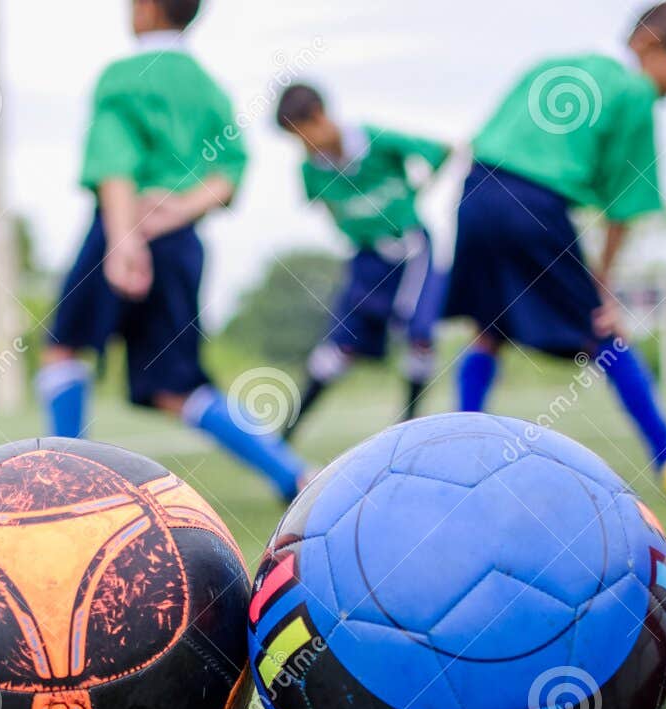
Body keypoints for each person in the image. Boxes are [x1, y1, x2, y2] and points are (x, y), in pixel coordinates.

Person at [444, 1, 666, 503]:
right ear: (650, 44)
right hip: (534, 206)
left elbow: (483, 141)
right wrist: (603, 286)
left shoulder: (551, 66)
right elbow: (626, 203)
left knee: (489, 330)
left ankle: (458, 464)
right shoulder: (635, 91)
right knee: (606, 332)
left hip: (475, 194)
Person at [32, 0, 310, 503]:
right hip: (181, 244)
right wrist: (180, 208)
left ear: (146, 9)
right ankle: (294, 475)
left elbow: (114, 160)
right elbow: (230, 170)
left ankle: (64, 492)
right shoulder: (208, 88)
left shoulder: (122, 77)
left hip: (117, 228)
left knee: (65, 348)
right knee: (177, 387)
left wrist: (124, 237)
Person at [275, 83, 452, 434]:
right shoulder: (312, 169)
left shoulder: (375, 141)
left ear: (319, 116)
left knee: (418, 335)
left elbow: (442, 150)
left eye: (303, 135)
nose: (303, 146)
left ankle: (409, 430)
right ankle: (284, 437)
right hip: (367, 260)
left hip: (410, 250)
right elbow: (323, 205)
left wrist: (415, 192)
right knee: (338, 348)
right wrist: (354, 228)